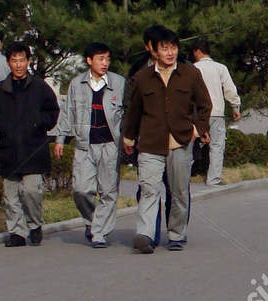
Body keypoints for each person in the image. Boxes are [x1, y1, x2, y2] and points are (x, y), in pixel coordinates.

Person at [122, 26, 212, 254]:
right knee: (149, 189)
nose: (170, 52)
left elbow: (205, 105)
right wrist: (129, 138)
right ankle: (146, 234)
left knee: (179, 191)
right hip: (151, 143)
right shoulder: (142, 77)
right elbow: (133, 111)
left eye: (173, 47)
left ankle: (176, 233)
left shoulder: (190, 73)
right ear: (154, 51)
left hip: (180, 142)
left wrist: (197, 129)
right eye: (165, 48)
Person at [0, 40, 60, 247]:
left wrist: (39, 123)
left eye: (22, 60)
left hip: (34, 147)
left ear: (28, 62)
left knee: (32, 191)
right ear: (8, 63)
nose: (18, 65)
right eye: (14, 60)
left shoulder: (40, 88)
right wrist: (1, 126)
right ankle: (17, 232)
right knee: (11, 195)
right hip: (8, 149)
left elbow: (52, 111)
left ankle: (35, 225)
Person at [54, 42, 127, 248]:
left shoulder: (119, 83)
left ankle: (99, 233)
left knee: (108, 191)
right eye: (100, 59)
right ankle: (94, 222)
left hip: (110, 144)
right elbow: (67, 112)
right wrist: (60, 139)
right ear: (89, 61)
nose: (105, 63)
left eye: (107, 59)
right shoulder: (77, 84)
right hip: (84, 145)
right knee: (81, 190)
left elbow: (128, 113)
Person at [189, 38, 242, 184]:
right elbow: (230, 89)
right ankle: (214, 178)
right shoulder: (220, 68)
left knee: (190, 142)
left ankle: (185, 174)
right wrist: (235, 107)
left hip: (198, 113)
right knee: (217, 146)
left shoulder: (193, 68)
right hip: (216, 112)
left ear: (197, 51)